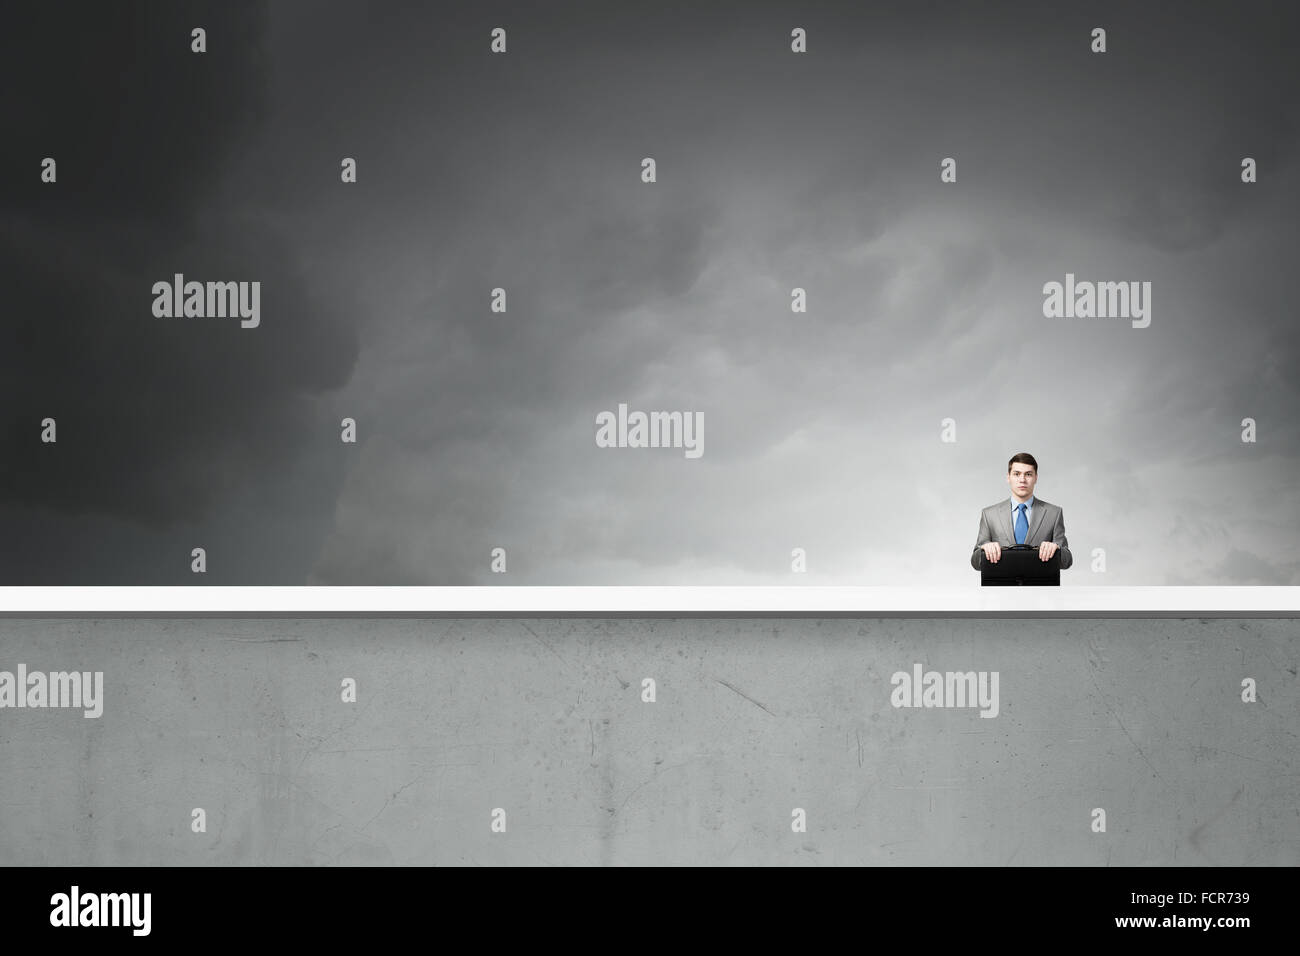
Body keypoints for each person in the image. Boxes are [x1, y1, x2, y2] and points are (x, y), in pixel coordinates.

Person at [970, 453, 1073, 570]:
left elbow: (1067, 561)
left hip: (1040, 585)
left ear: (1036, 478)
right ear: (1008, 477)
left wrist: (1057, 550)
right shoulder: (989, 515)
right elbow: (975, 563)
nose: (1022, 480)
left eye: (1028, 474)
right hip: (1002, 585)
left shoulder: (1054, 513)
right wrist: (984, 550)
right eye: (1016, 474)